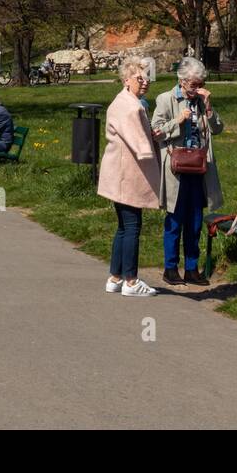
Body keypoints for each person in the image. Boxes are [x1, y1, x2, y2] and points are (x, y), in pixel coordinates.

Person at [152, 57, 224, 287]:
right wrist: (177, 121)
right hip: (176, 169)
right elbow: (156, 132)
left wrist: (209, 106)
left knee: (194, 221)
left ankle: (192, 269)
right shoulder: (165, 99)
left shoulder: (202, 101)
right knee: (174, 219)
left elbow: (218, 129)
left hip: (199, 168)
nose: (197, 89)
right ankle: (170, 268)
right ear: (181, 81)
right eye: (193, 84)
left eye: (200, 84)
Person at [99, 56, 162, 297]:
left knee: (124, 227)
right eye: (139, 78)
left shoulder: (122, 100)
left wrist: (149, 133)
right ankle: (131, 281)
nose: (145, 82)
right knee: (133, 226)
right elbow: (140, 145)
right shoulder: (133, 106)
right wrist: (151, 140)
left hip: (118, 172)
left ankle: (115, 277)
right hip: (129, 173)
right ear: (127, 79)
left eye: (147, 78)